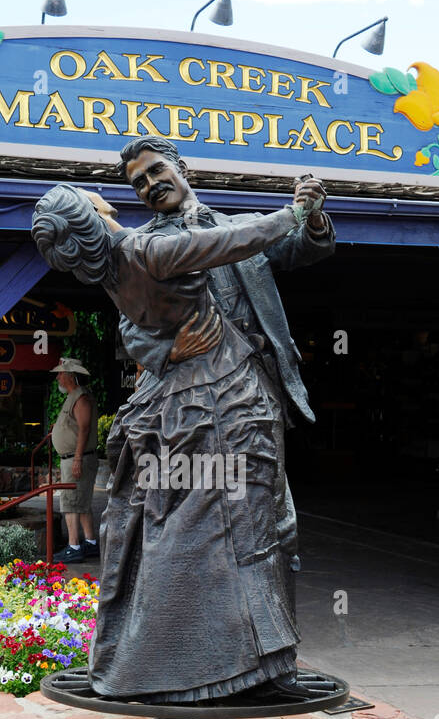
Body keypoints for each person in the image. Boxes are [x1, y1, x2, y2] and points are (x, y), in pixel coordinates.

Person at [32, 183, 327, 703]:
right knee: (243, 525)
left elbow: (264, 248)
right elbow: (230, 242)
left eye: (153, 173)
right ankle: (229, 668)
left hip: (172, 409)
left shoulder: (108, 268)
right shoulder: (142, 248)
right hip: (222, 398)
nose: (124, 197)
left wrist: (306, 225)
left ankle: (170, 664)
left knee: (173, 527)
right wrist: (293, 210)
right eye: (102, 200)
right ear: (94, 216)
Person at [115, 136, 335, 585]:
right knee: (200, 495)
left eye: (157, 171)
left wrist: (309, 214)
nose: (151, 184)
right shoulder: (141, 248)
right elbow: (130, 328)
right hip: (192, 390)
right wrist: (170, 351)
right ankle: (197, 594)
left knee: (265, 496)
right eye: (140, 183)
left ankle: (268, 586)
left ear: (182, 169)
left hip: (256, 382)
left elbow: (303, 248)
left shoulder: (244, 226)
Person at [50, 357, 100, 563]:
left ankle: (74, 546)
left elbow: (84, 428)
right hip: (73, 458)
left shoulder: (81, 397)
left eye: (61, 373)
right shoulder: (75, 397)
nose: (58, 377)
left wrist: (78, 458)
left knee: (70, 503)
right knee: (81, 502)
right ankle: (90, 543)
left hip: (77, 459)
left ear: (70, 375)